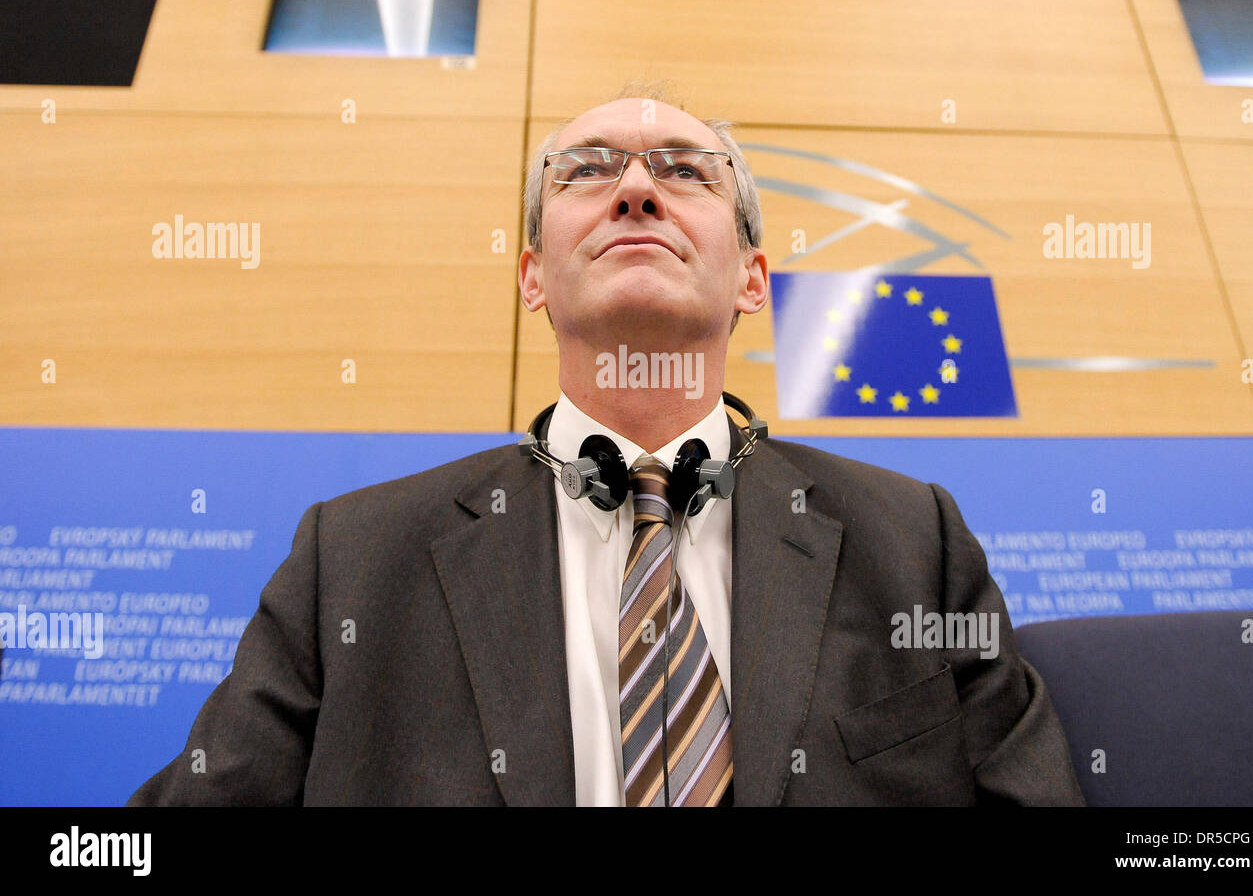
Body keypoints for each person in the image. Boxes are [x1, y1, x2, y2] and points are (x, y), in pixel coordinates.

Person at [129, 83, 1084, 807]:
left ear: (754, 280)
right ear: (533, 276)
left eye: (684, 170)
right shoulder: (353, 560)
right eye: (585, 170)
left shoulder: (913, 539)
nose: (635, 189)